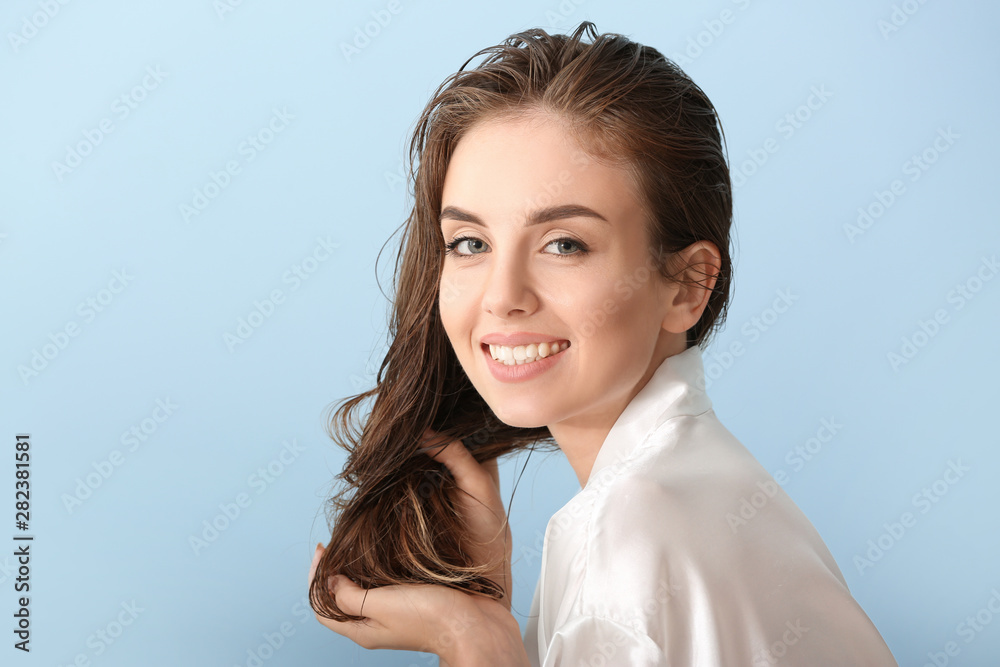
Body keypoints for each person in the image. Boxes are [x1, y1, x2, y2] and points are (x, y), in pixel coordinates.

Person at [308, 21, 898, 666]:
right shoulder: (701, 490)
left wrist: (473, 639)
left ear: (688, 285)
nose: (502, 295)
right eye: (470, 243)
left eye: (565, 244)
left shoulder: (633, 540)